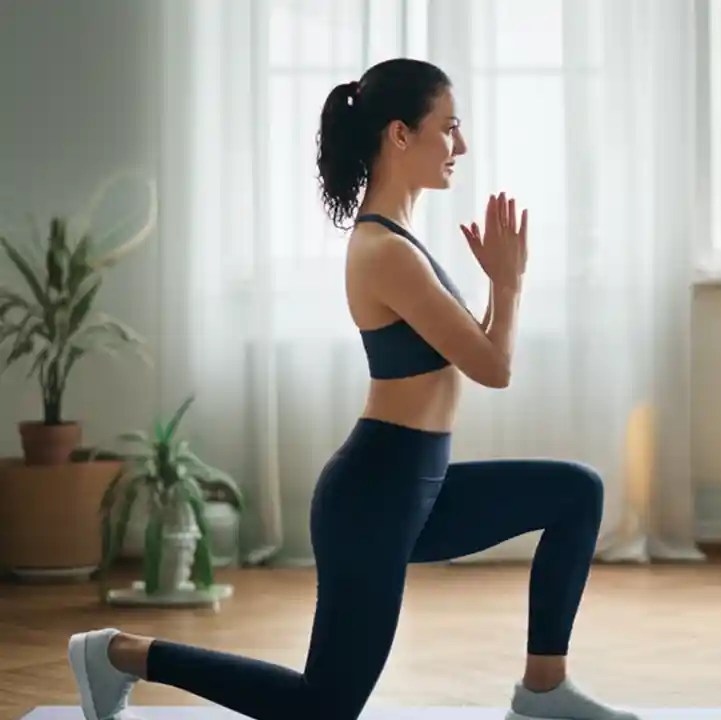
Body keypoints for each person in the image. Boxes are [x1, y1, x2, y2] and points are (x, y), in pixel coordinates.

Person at [67, 58, 640, 720]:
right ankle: (120, 653)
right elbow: (493, 367)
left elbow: (472, 351)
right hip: (375, 496)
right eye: (448, 127)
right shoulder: (384, 250)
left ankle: (543, 689)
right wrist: (508, 285)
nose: (460, 145)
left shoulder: (400, 241)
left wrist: (499, 287)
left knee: (575, 492)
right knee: (325, 707)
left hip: (417, 485)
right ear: (400, 134)